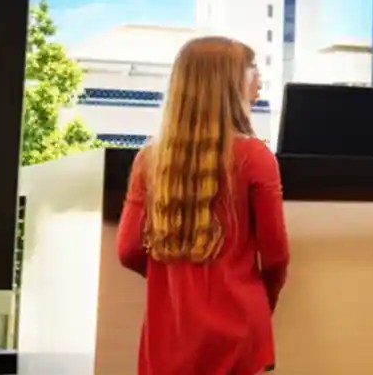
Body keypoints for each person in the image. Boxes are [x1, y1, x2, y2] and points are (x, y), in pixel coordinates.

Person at [116, 36, 289, 375]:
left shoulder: (149, 160)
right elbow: (276, 256)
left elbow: (128, 250)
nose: (260, 79)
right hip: (242, 331)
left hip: (169, 335)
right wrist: (259, 302)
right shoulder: (256, 157)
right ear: (227, 82)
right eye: (252, 68)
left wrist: (177, 279)